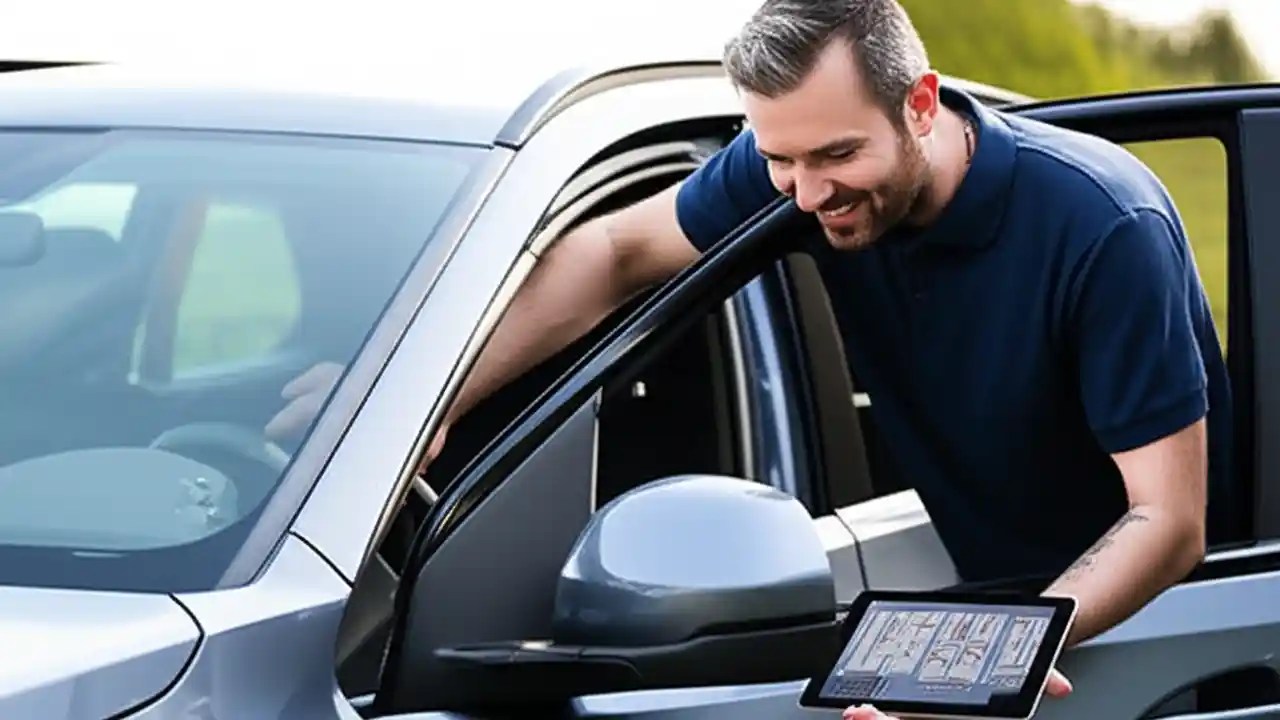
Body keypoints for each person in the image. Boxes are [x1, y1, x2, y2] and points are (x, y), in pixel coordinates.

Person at [269, 0, 1231, 713]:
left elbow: (1167, 517)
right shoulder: (796, 165)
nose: (805, 196)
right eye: (780, 161)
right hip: (999, 601)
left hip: (1155, 637)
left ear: (924, 104)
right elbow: (612, 255)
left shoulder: (1104, 227)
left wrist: (985, 661)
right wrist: (410, 401)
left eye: (836, 158)